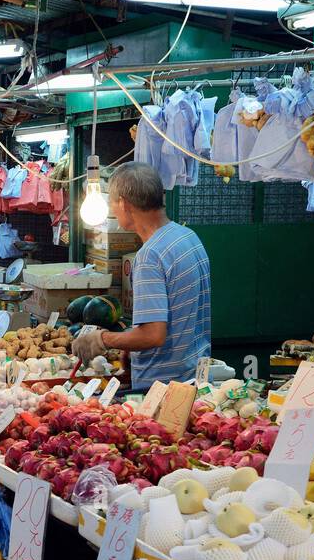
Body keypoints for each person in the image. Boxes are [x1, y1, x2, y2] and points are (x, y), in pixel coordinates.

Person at [72, 163, 211, 390]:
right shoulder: (188, 237)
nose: (113, 212)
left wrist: (103, 339)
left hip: (162, 388)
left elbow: (153, 335)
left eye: (112, 204)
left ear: (124, 204)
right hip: (194, 378)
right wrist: (130, 345)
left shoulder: (150, 255)